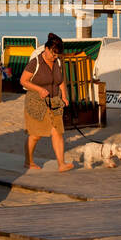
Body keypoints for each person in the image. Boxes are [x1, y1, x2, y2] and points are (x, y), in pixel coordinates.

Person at [20, 33, 73, 172]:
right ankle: (29, 161)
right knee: (36, 134)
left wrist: (64, 97)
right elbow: (23, 81)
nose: (54, 57)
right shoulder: (35, 63)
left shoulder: (58, 62)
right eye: (53, 54)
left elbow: (60, 81)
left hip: (54, 101)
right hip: (36, 101)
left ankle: (61, 164)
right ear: (47, 48)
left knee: (57, 132)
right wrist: (39, 89)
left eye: (57, 55)